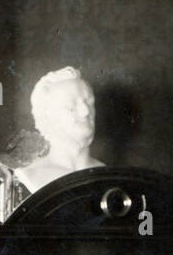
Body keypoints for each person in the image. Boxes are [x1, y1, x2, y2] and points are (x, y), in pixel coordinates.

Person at [12, 66, 105, 197]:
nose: (86, 111)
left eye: (89, 102)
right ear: (47, 117)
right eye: (71, 107)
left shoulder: (106, 175)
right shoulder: (29, 175)